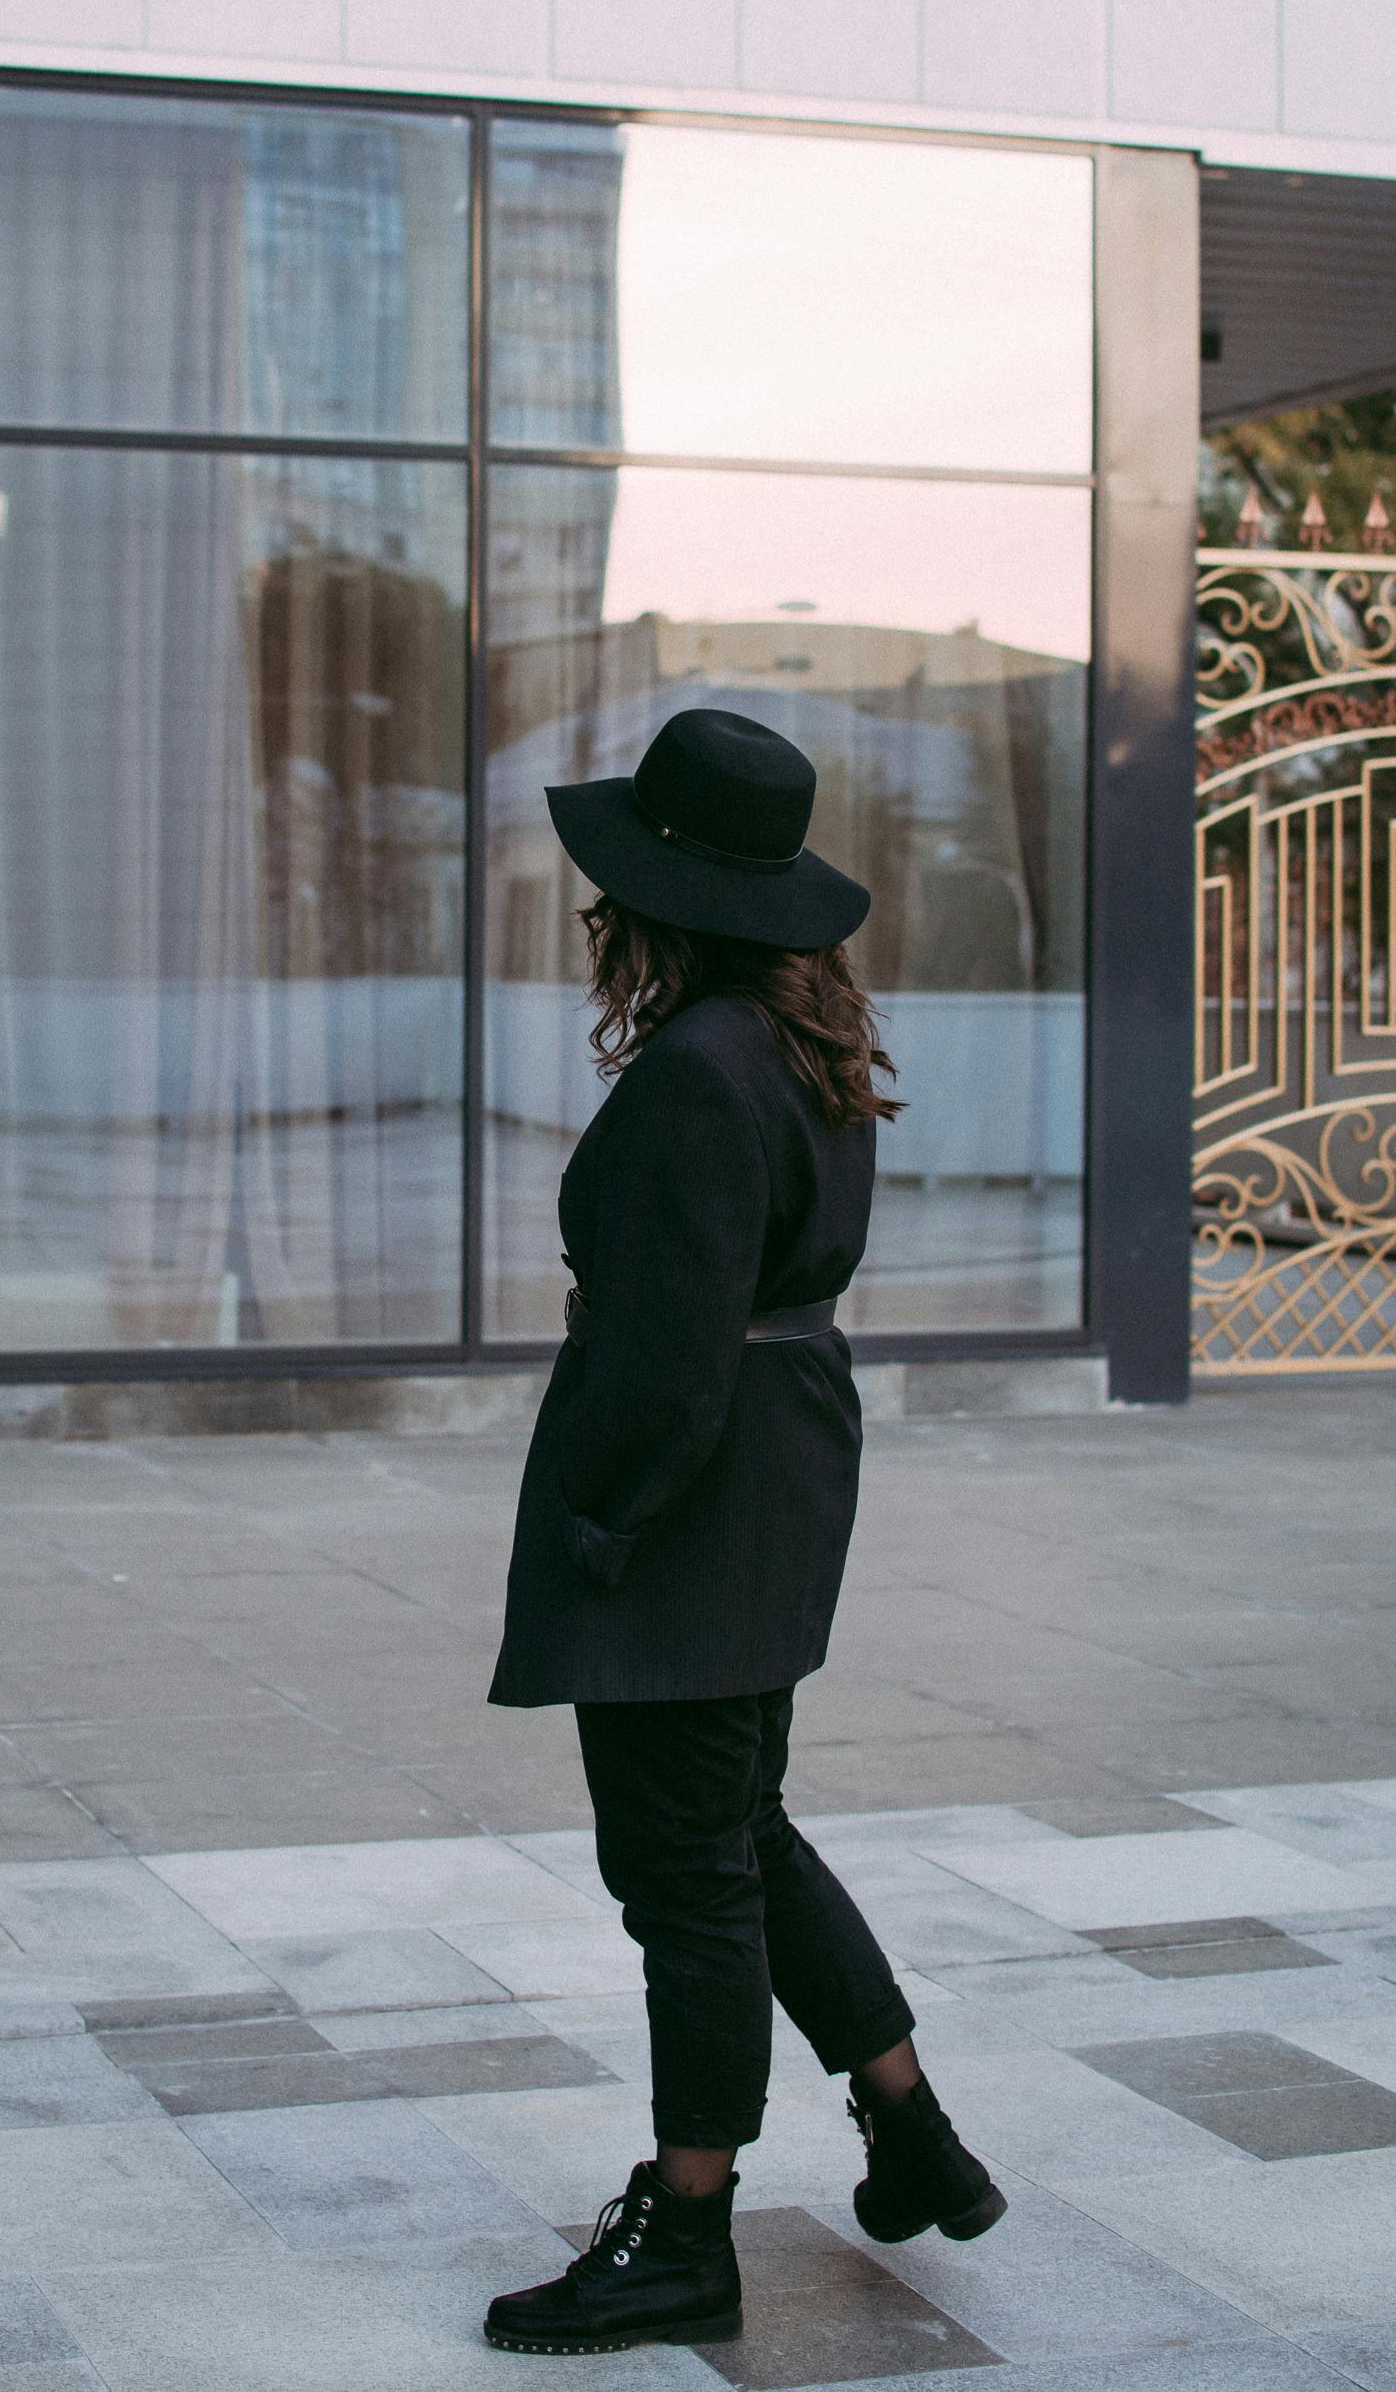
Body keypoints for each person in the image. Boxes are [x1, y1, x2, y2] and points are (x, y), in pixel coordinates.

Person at [482, 708, 1004, 2360]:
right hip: (775, 1474)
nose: (595, 915)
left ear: (662, 899)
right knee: (741, 1829)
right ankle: (910, 2125)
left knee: (684, 1873)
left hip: (697, 1502)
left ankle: (686, 2228)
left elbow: (663, 1357)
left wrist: (596, 1518)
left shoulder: (705, 1068)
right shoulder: (799, 1039)